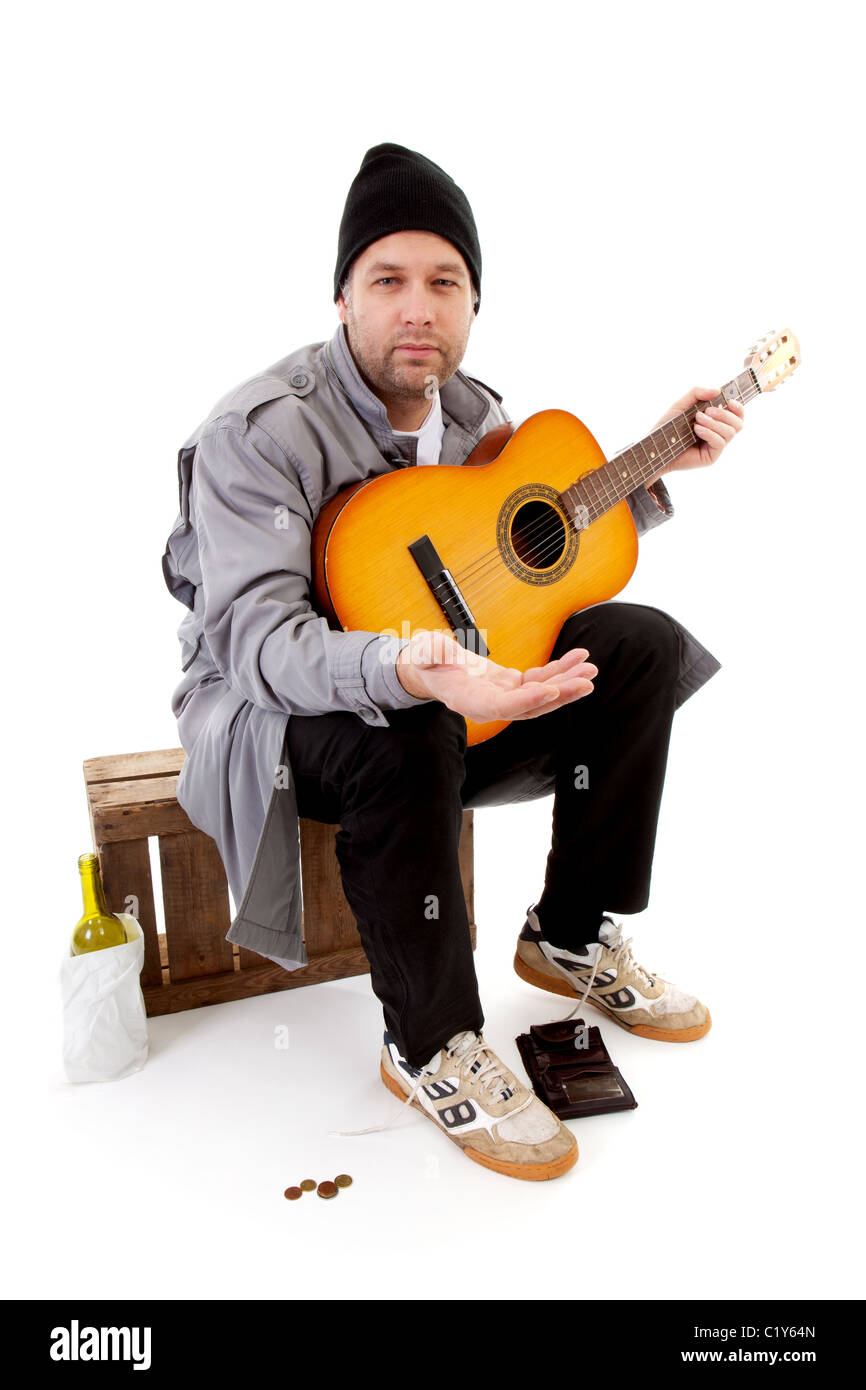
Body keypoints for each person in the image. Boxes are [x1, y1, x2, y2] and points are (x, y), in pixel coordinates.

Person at [161, 142, 744, 1183]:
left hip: (461, 701)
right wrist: (419, 670)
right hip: (282, 726)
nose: (417, 307)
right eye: (387, 280)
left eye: (445, 281)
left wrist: (651, 469)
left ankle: (567, 933)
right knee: (407, 722)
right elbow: (256, 647)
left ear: (475, 301)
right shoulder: (259, 430)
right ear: (341, 297)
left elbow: (526, 570)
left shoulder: (476, 416)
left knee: (635, 643)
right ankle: (428, 1044)